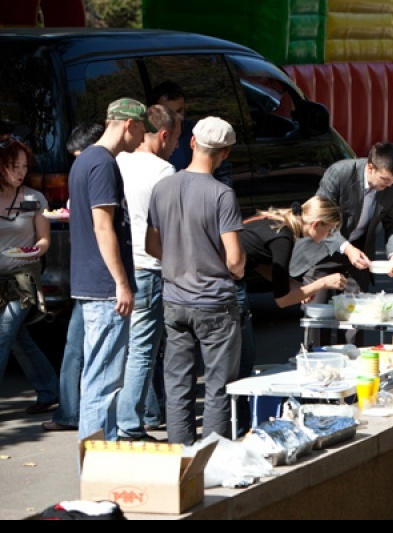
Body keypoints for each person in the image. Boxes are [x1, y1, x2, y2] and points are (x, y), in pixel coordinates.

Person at [146, 116, 245, 445]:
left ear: (191, 142)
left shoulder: (162, 187)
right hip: (215, 302)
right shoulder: (222, 195)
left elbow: (150, 244)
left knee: (177, 386)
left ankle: (181, 460)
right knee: (217, 387)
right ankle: (212, 462)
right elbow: (234, 259)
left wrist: (178, 259)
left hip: (175, 301)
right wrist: (237, 269)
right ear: (226, 153)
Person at [69, 98, 154, 441]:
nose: (143, 139)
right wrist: (122, 282)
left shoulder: (87, 159)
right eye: (142, 130)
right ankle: (96, 470)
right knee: (102, 384)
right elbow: (103, 227)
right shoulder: (103, 163)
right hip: (105, 288)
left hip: (92, 283)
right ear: (128, 125)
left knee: (97, 378)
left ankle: (102, 462)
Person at [235, 196, 346, 432]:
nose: (328, 237)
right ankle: (240, 429)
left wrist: (297, 286)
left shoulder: (278, 224)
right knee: (241, 367)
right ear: (316, 224)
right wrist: (322, 283)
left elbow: (263, 266)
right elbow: (282, 300)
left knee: (240, 364)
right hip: (227, 291)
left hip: (218, 284)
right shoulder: (283, 237)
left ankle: (241, 426)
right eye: (330, 230)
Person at [289, 142, 393, 348]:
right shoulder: (339, 173)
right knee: (319, 319)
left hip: (359, 255)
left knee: (356, 321)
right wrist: (346, 248)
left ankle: (352, 365)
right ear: (370, 168)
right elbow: (319, 217)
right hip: (322, 249)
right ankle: (318, 364)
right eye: (384, 179)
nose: (388, 185)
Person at [115, 104, 181, 441]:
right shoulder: (163, 172)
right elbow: (168, 227)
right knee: (143, 352)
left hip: (121, 268)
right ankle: (129, 424)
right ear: (164, 134)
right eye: (176, 140)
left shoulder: (117, 161)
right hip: (151, 269)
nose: (176, 148)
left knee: (123, 349)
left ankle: (131, 417)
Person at [43, 122, 104, 432]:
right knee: (80, 346)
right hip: (93, 277)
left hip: (98, 279)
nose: (77, 163)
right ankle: (71, 411)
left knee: (84, 348)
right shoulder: (97, 171)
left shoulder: (101, 172)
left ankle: (76, 414)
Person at [0, 135, 59, 414]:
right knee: (19, 338)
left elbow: (44, 240)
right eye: (14, 165)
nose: (21, 171)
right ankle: (49, 390)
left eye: (24, 166)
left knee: (4, 333)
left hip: (24, 276)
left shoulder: (35, 199)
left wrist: (35, 250)